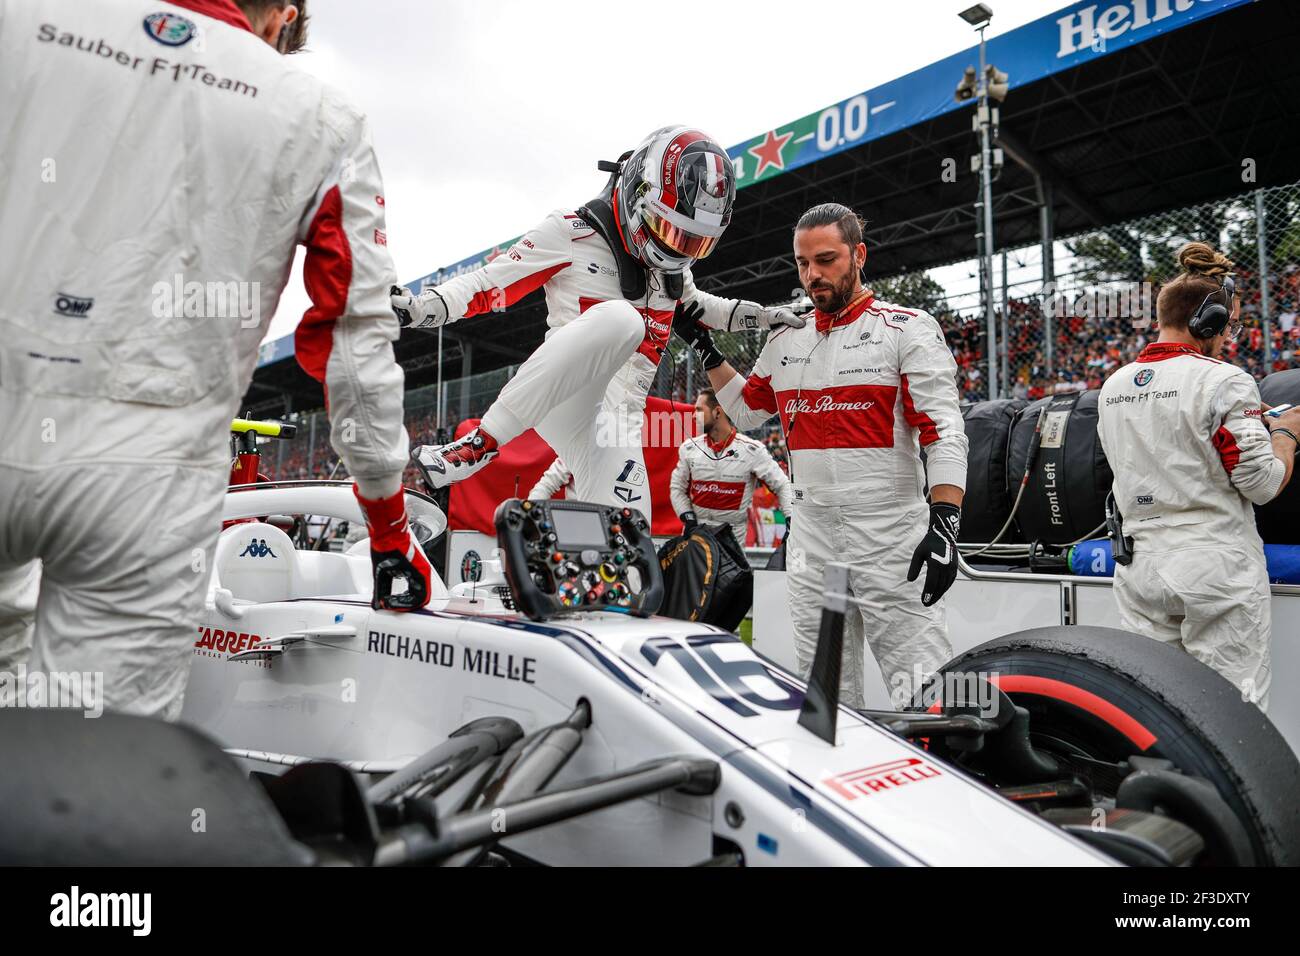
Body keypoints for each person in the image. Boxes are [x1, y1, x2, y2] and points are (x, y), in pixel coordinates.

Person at [0, 0, 429, 719]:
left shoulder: (25, 21)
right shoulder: (322, 117)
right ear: (282, 21)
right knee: (88, 783)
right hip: (147, 481)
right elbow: (355, 346)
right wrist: (386, 524)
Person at [391, 126, 804, 522]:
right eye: (669, 230)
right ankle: (483, 441)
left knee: (629, 544)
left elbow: (703, 308)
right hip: (566, 393)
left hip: (617, 424)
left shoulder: (675, 270)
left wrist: (766, 316)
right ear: (638, 194)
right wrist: (419, 308)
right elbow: (487, 284)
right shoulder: (569, 232)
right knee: (623, 320)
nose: (677, 249)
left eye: (693, 242)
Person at [675, 203, 968, 709]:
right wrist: (707, 351)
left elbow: (942, 432)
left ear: (859, 256)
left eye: (826, 260)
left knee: (925, 686)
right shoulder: (786, 335)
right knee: (825, 694)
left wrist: (944, 523)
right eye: (803, 263)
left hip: (890, 531)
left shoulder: (908, 328)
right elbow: (746, 411)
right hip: (811, 533)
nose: (813, 275)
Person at [1097, 242, 1299, 711]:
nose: (1231, 335)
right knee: (1233, 715)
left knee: (1158, 710)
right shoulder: (1225, 379)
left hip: (1138, 569)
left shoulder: (1113, 385)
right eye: (1230, 325)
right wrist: (1286, 434)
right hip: (1215, 566)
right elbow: (1263, 484)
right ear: (1205, 322)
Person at [670, 388, 793, 548]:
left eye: (699, 410)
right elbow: (677, 487)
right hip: (696, 543)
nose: (694, 416)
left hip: (733, 551)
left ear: (717, 412)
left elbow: (782, 484)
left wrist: (790, 520)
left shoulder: (752, 450)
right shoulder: (689, 448)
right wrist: (688, 518)